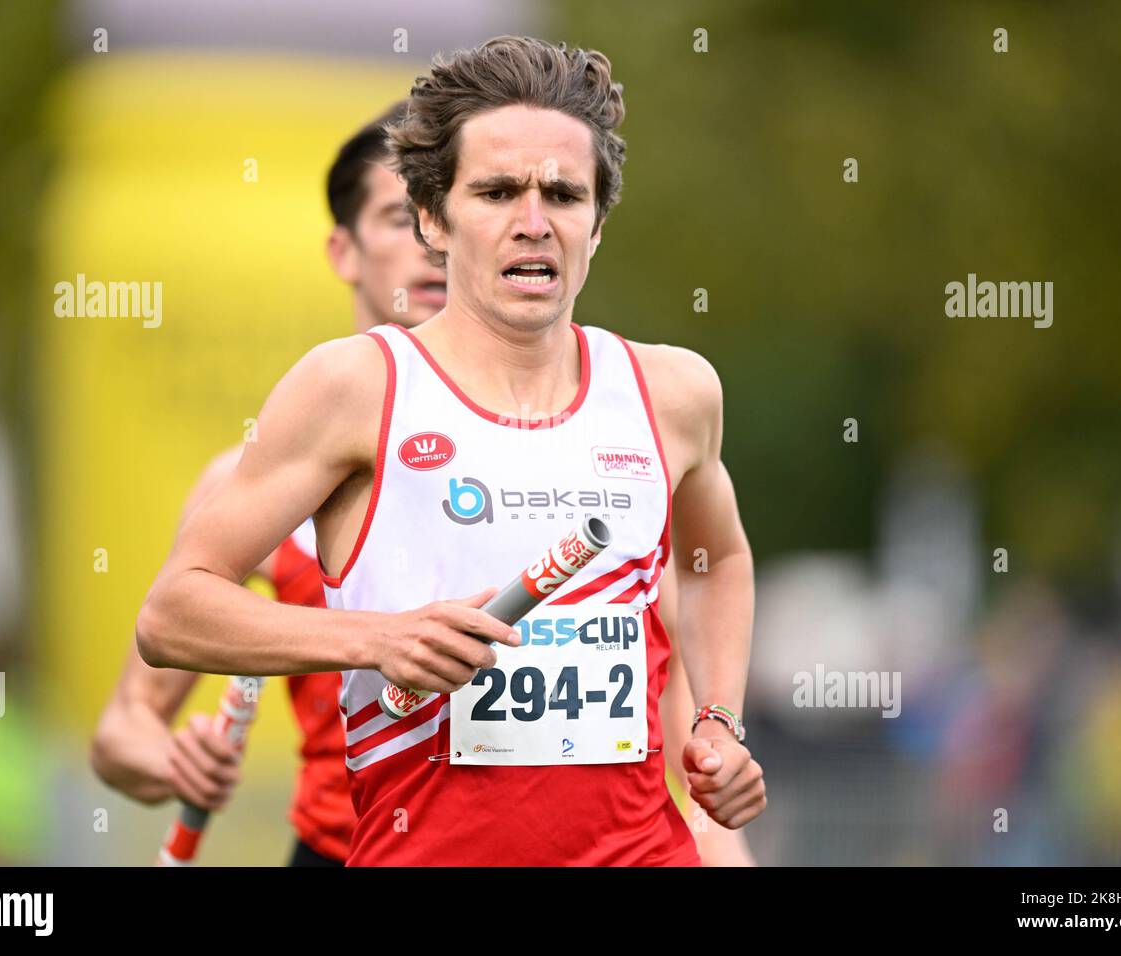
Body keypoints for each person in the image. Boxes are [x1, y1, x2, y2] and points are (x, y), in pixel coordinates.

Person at [135, 35, 765, 866]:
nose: (533, 223)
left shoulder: (675, 393)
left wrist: (718, 720)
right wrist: (377, 640)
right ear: (433, 217)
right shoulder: (355, 389)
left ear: (597, 222)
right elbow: (172, 612)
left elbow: (715, 558)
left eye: (564, 195)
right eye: (498, 191)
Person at [90, 101, 445, 866]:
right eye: (398, 217)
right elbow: (122, 731)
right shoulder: (252, 478)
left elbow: (674, 684)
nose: (432, 244)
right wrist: (170, 762)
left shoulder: (572, 446)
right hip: (343, 851)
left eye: (447, 216)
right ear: (343, 251)